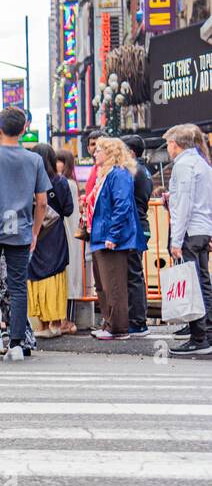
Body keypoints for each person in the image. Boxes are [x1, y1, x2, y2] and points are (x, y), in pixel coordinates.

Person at [0, 107, 49, 362]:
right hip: (21, 231)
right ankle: (16, 343)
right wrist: (35, 231)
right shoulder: (34, 160)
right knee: (18, 287)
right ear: (24, 129)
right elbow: (42, 202)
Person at [164, 124, 212, 355]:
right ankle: (207, 332)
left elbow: (183, 204)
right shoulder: (202, 163)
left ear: (176, 144)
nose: (168, 148)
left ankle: (199, 337)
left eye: (169, 144)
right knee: (203, 282)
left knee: (193, 285)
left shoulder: (183, 165)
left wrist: (175, 239)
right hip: (202, 229)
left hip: (190, 231)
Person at [88, 138, 143, 340]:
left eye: (99, 150)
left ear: (110, 153)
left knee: (114, 283)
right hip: (101, 235)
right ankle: (109, 323)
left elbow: (122, 205)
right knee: (104, 284)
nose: (95, 153)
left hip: (110, 236)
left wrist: (113, 234)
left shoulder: (118, 174)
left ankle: (118, 327)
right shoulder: (109, 173)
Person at [28, 144, 74, 338]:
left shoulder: (29, 180)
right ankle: (56, 322)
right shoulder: (60, 181)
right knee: (55, 274)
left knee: (35, 275)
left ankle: (42, 325)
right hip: (56, 234)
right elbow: (68, 209)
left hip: (34, 232)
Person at [121, 135, 153, 337]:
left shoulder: (133, 171)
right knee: (136, 274)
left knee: (133, 275)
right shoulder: (145, 171)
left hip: (135, 227)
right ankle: (138, 319)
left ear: (131, 152)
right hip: (141, 224)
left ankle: (138, 322)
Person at [55, 148, 81, 335]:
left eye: (59, 161)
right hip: (66, 233)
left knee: (70, 277)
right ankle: (64, 319)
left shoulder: (67, 184)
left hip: (68, 233)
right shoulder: (67, 183)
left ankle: (69, 320)